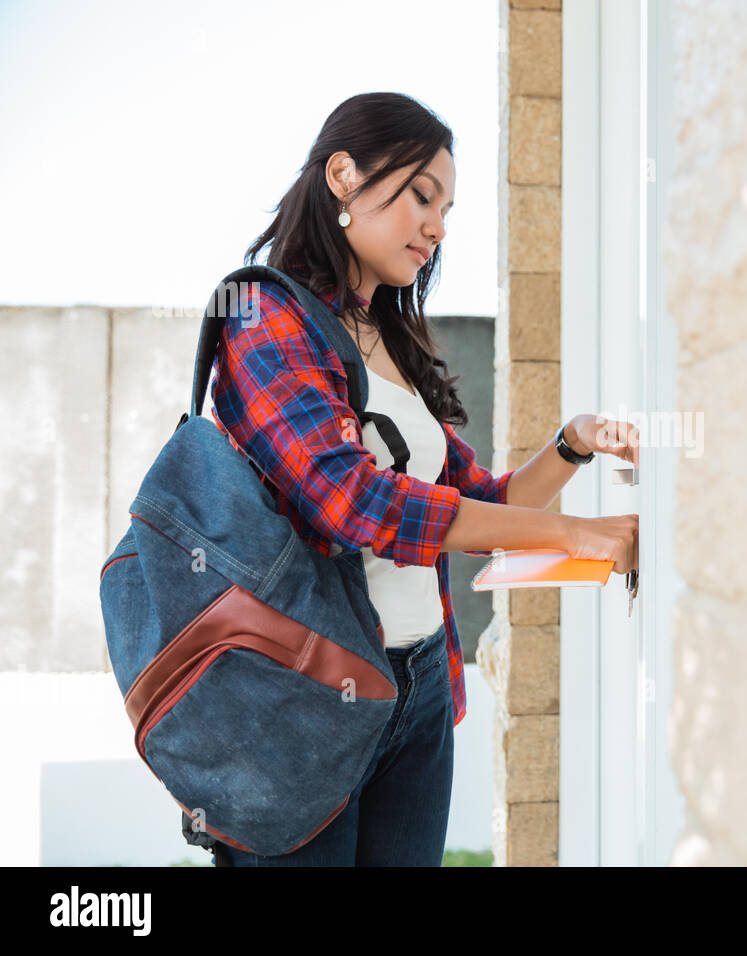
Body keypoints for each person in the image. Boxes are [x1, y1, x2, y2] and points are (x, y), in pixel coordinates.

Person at [204, 91, 638, 866]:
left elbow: (479, 510)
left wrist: (572, 445)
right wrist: (580, 537)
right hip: (305, 702)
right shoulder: (265, 319)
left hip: (419, 688)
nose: (438, 227)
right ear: (343, 175)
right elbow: (356, 504)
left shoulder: (388, 337)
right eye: (421, 196)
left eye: (448, 207)